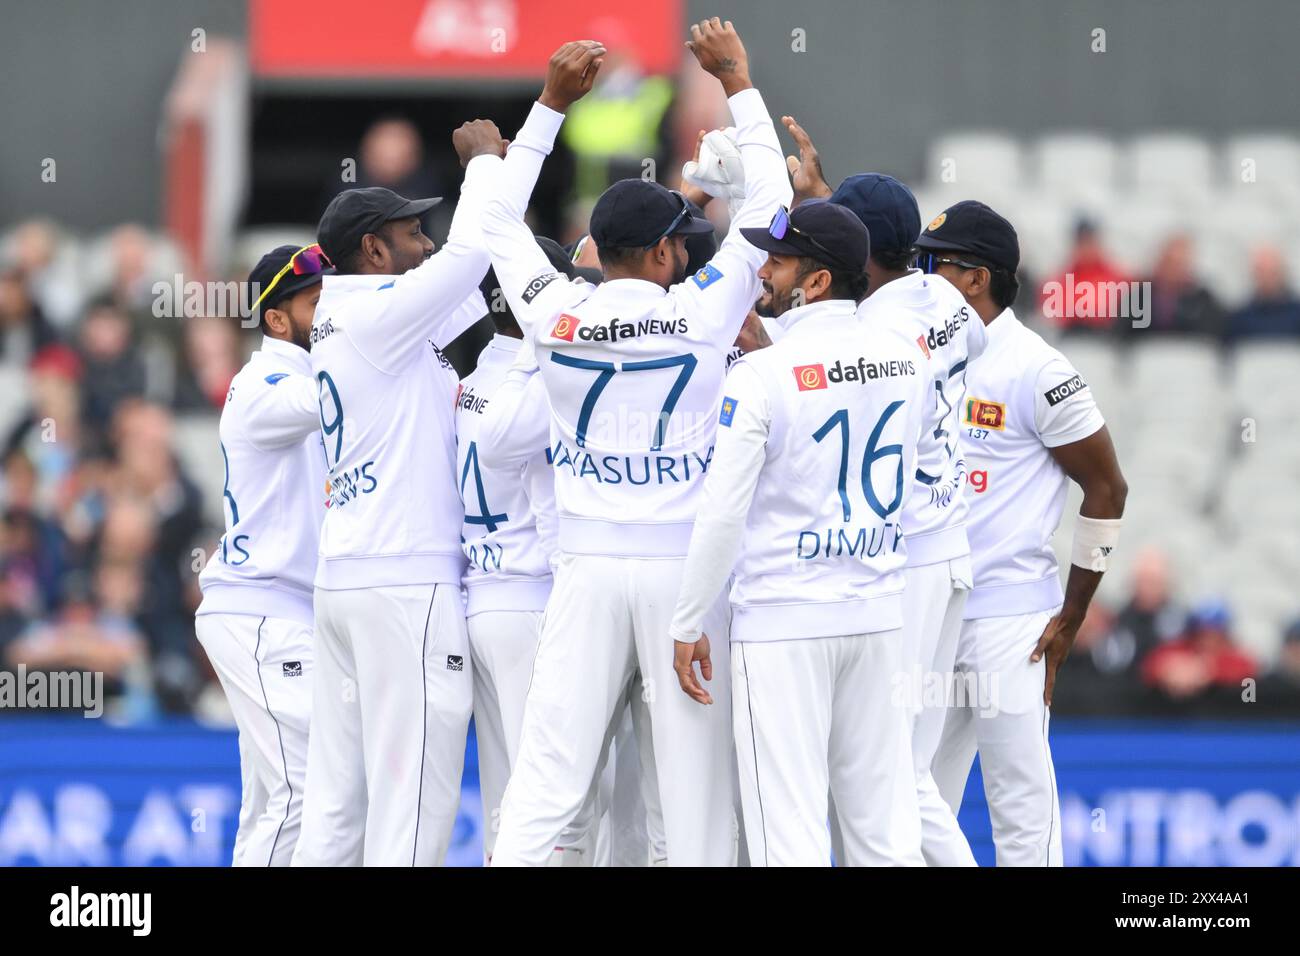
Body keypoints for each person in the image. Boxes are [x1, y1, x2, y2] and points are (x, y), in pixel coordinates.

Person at [481, 20, 792, 867]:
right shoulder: (699, 314)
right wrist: (739, 80)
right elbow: (771, 209)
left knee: (545, 785)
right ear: (661, 252)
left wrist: (548, 106)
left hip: (582, 570)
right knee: (692, 802)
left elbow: (494, 219)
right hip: (679, 577)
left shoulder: (551, 311)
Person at [667, 199, 928, 866]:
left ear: (816, 282)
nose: (764, 273)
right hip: (876, 617)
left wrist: (689, 619)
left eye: (778, 262)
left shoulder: (760, 375)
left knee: (789, 837)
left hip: (784, 623)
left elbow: (722, 513)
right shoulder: (907, 358)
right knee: (884, 834)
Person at [291, 119, 506, 867]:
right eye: (412, 232)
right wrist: (486, 162)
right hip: (401, 585)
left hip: (349, 580)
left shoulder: (355, 317)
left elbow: (490, 293)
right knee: (414, 800)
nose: (426, 243)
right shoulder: (379, 312)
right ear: (373, 249)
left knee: (337, 804)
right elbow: (473, 254)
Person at [781, 116, 986, 866]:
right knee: (904, 767)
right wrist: (827, 198)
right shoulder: (949, 304)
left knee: (889, 770)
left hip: (909, 566)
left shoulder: (875, 334)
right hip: (950, 548)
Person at [916, 201, 1128, 866]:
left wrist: (1072, 615)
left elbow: (1108, 487)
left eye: (933, 264)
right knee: (911, 799)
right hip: (934, 609)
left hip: (1011, 621)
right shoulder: (919, 351)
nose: (919, 276)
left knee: (1020, 812)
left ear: (976, 278)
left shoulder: (1038, 368)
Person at [193, 244, 330, 866]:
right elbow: (325, 401)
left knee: (275, 797)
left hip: (281, 614)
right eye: (317, 301)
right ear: (278, 320)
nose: (332, 313)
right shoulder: (264, 383)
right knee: (301, 791)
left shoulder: (303, 372)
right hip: (264, 615)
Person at [1225, 245, 1300, 343]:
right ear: (1254, 274)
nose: (1267, 277)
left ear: (1282, 271)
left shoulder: (1297, 313)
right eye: (1262, 271)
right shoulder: (1241, 318)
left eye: (1272, 271)